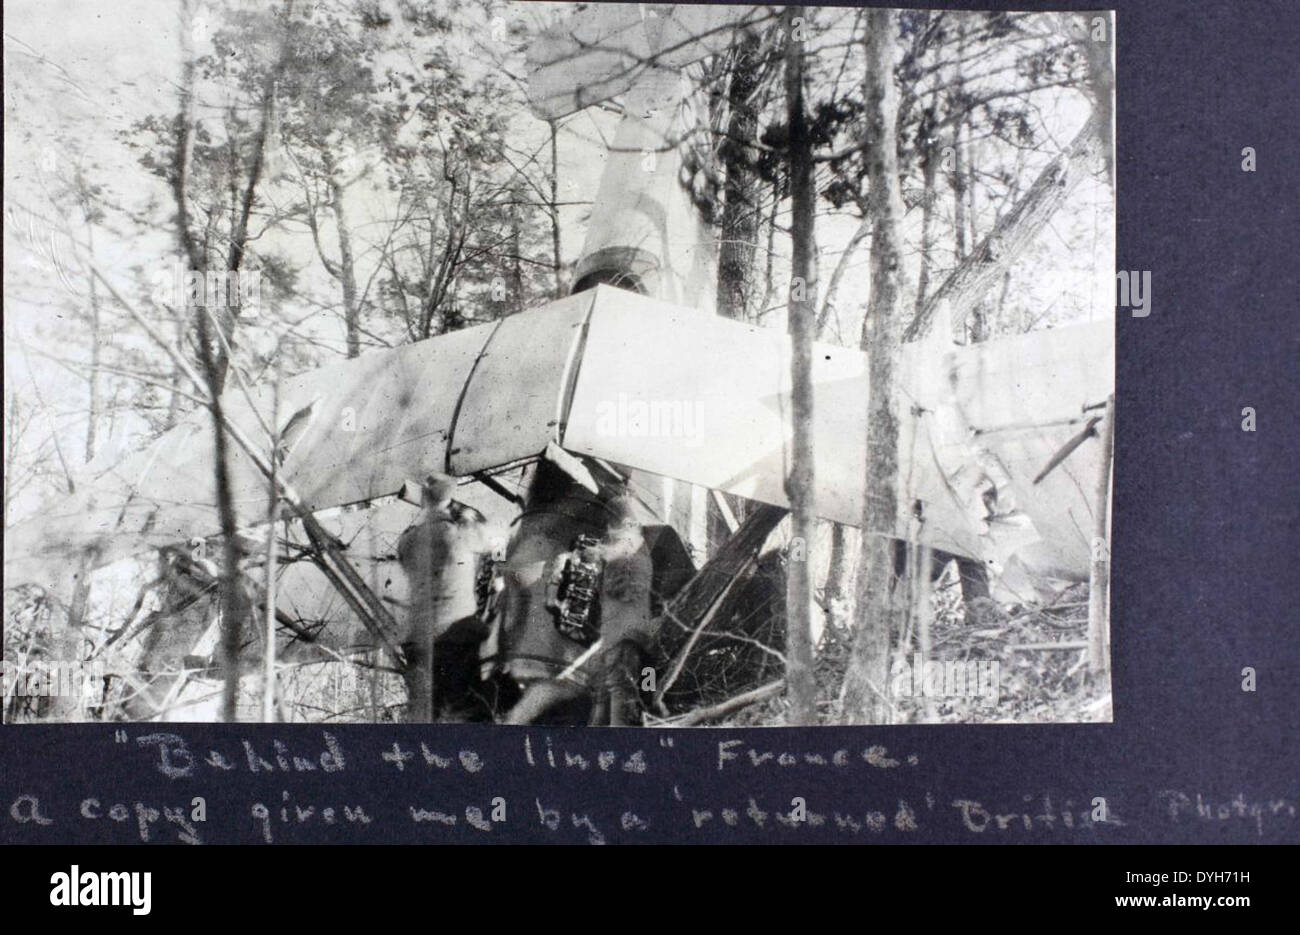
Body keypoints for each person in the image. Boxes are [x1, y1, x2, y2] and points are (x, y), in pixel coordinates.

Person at [396, 473, 490, 721]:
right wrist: (466, 515)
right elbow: (492, 543)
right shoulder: (460, 532)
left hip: (417, 638)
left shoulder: (408, 539)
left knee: (428, 712)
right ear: (450, 499)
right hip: (455, 634)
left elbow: (405, 563)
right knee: (467, 710)